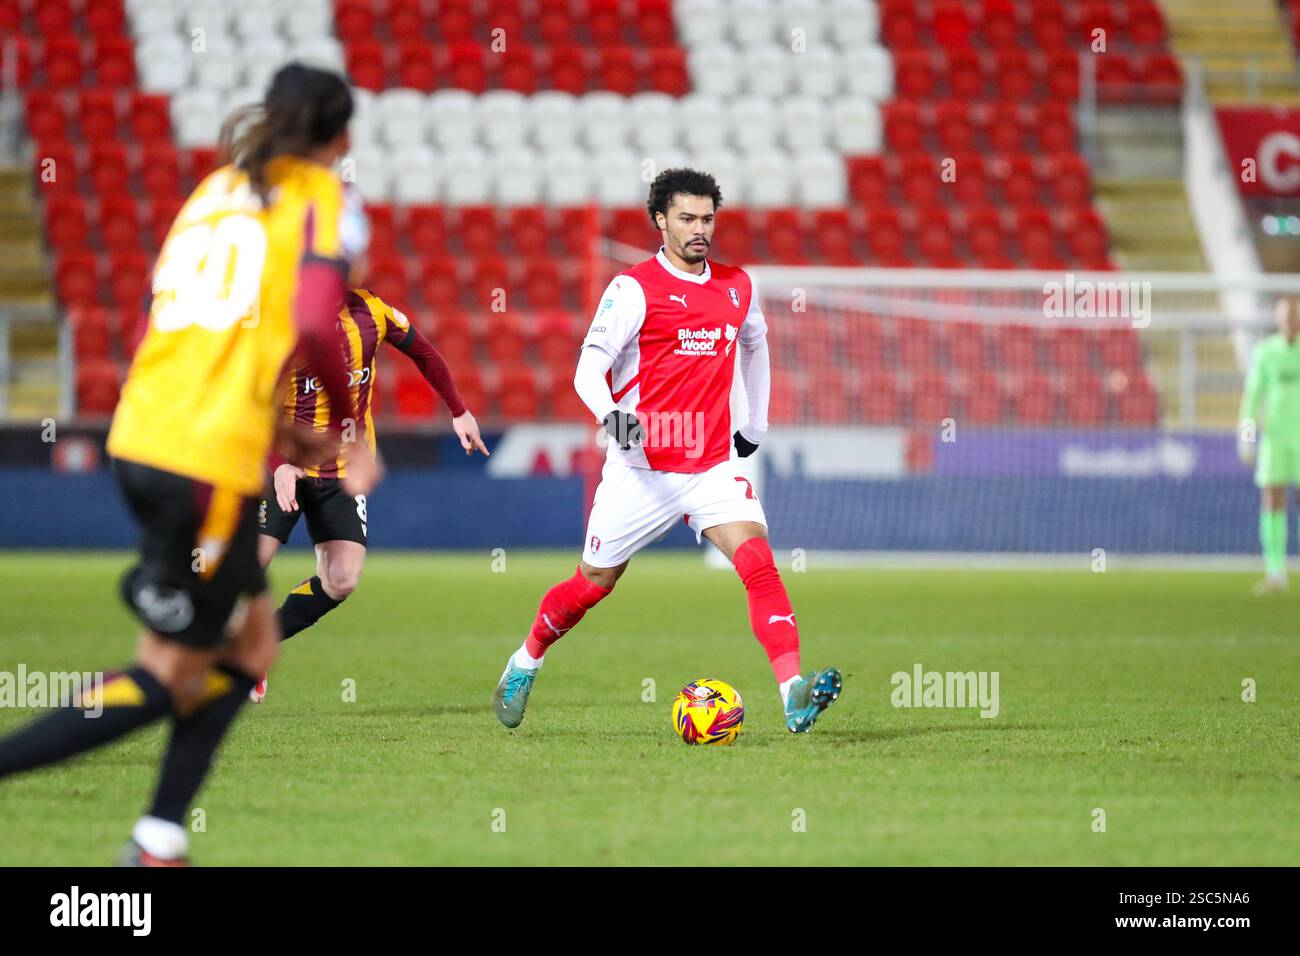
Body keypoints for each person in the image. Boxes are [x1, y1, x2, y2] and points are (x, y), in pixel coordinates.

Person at [0, 63, 377, 865]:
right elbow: (318, 324)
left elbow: (164, 323)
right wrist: (344, 425)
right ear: (340, 136)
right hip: (203, 462)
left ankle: (160, 837)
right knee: (167, 671)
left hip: (144, 432)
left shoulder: (214, 193)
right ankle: (144, 833)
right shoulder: (324, 200)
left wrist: (280, 425)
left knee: (252, 645)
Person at [492, 167, 842, 734]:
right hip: (641, 471)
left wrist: (756, 423)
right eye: (686, 218)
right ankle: (525, 660)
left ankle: (792, 693)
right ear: (660, 221)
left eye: (707, 218)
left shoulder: (738, 286)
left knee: (758, 563)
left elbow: (756, 344)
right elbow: (587, 370)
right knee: (592, 584)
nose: (699, 229)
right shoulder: (633, 289)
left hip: (711, 465)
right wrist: (615, 420)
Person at [251, 289, 489, 701]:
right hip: (286, 464)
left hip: (342, 472)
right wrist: (278, 464)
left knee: (341, 579)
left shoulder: (373, 312)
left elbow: (425, 353)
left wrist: (459, 411)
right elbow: (253, 404)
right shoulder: (284, 320)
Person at [1238, 295, 1300, 594]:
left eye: (1295, 315)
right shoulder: (1265, 352)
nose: (1291, 320)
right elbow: (1252, 398)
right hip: (1275, 439)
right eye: (1286, 315)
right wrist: (1247, 438)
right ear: (1278, 318)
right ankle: (1275, 572)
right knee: (1273, 500)